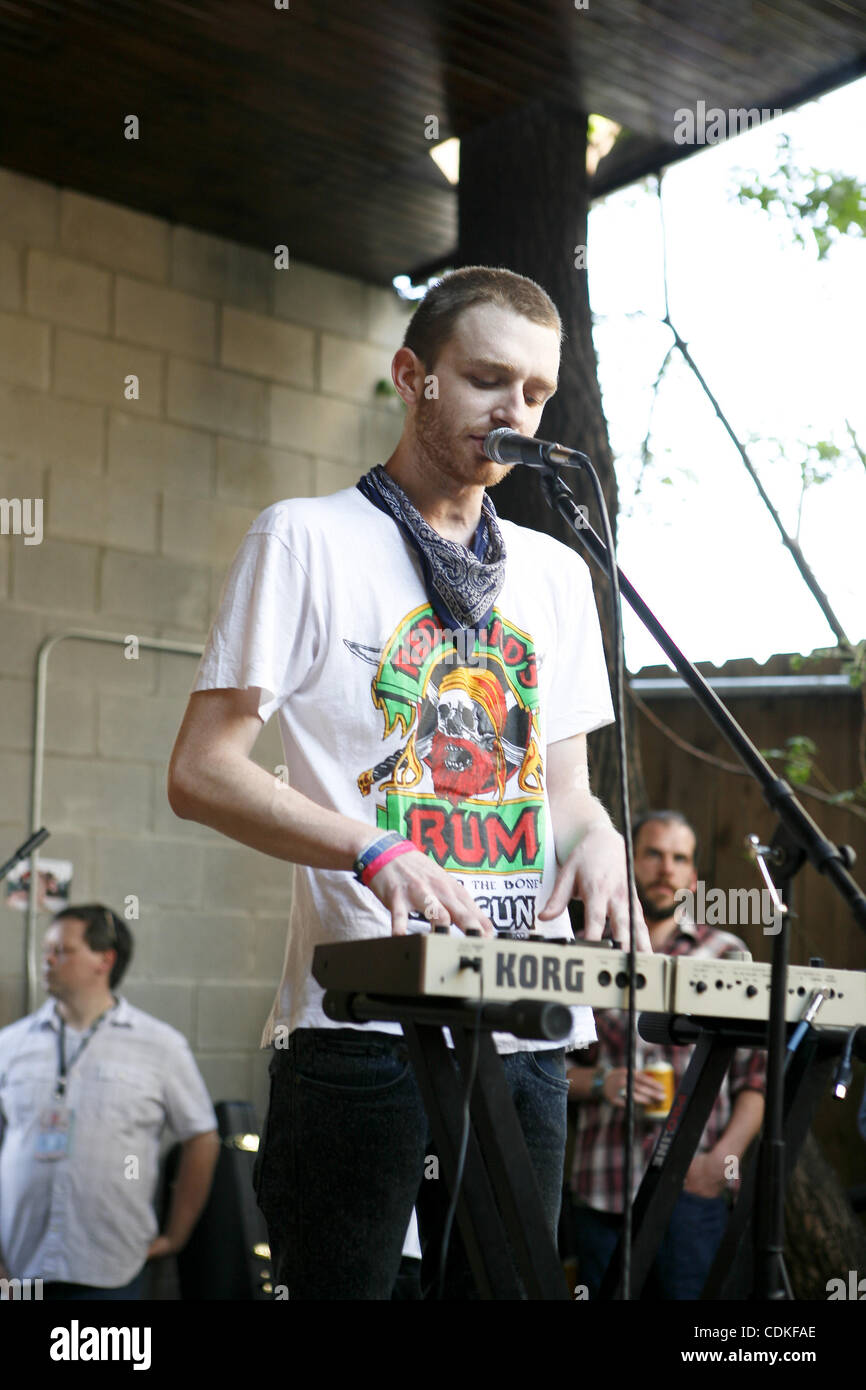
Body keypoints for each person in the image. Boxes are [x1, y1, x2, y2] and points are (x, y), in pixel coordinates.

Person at [167, 265, 651, 1300]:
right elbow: (201, 771)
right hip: (359, 1030)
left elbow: (559, 793)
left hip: (526, 1018)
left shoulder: (557, 575)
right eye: (484, 379)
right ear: (410, 377)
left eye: (533, 392)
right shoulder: (303, 537)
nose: (511, 411)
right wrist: (371, 845)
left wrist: (598, 836)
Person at [567, 810, 766, 1299]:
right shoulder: (588, 951)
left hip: (692, 1188)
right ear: (629, 863)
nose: (666, 869)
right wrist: (600, 1084)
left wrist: (724, 1159)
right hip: (602, 1188)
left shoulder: (728, 955)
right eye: (653, 854)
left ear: (694, 876)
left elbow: (757, 1079)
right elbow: (543, 1065)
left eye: (680, 858)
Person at [0, 905, 219, 1299]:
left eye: (61, 950)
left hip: (112, 1268)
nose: (46, 959)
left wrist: (175, 1235)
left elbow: (201, 1136)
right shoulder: (11, 1044)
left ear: (105, 959)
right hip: (20, 1266)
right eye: (46, 949)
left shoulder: (160, 1046)